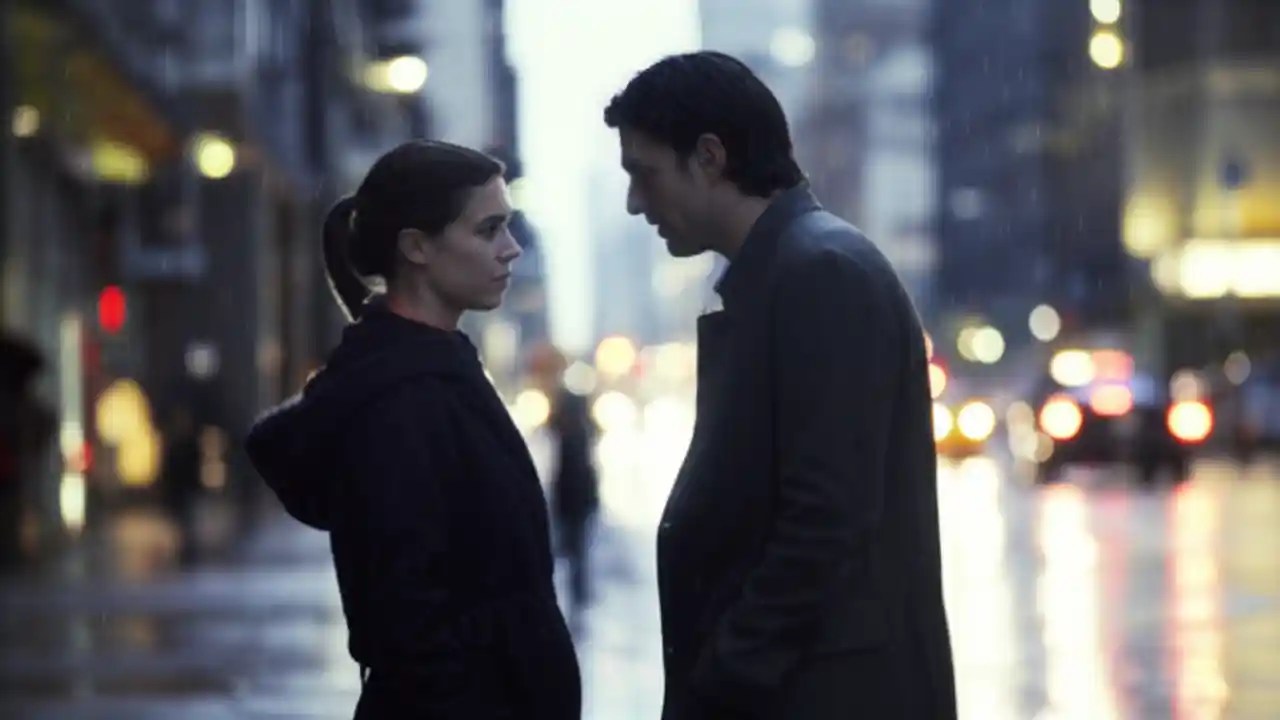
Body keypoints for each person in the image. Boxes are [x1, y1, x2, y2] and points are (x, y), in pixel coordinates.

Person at [604, 52, 957, 719]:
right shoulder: (790, 269)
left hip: (823, 695)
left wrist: (726, 675)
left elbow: (826, 518)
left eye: (643, 173)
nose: (633, 201)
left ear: (709, 157)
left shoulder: (820, 271)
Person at [244, 141, 581, 720]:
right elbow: (411, 624)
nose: (511, 249)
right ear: (416, 246)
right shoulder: (400, 402)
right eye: (489, 230)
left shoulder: (432, 372)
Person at [530, 344, 600, 621]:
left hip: (574, 487)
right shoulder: (568, 405)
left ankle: (578, 594)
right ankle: (578, 593)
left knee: (572, 545)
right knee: (573, 545)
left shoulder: (567, 405)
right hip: (573, 487)